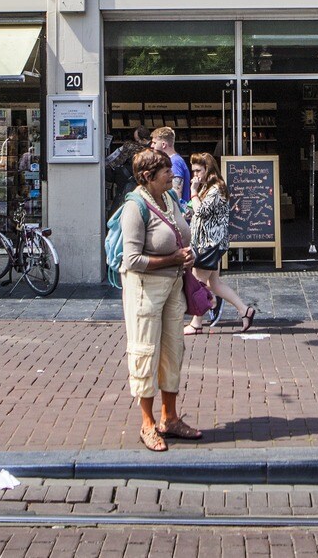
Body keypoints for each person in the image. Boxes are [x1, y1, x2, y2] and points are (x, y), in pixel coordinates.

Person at [118, 147, 201, 452]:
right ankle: (147, 423)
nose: (171, 174)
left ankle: (170, 417)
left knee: (173, 350)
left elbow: (181, 235)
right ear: (147, 176)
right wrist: (172, 259)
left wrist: (188, 255)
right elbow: (132, 259)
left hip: (173, 287)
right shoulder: (134, 207)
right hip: (145, 290)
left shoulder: (169, 199)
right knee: (145, 352)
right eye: (165, 170)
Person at [184, 152, 258, 335]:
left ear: (208, 169)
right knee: (214, 284)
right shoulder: (207, 187)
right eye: (193, 171)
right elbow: (197, 210)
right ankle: (244, 310)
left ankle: (197, 322)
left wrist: (193, 191)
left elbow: (201, 211)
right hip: (208, 243)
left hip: (209, 244)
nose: (195, 175)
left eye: (198, 171)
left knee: (198, 283)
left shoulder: (216, 189)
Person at [106, 126, 151, 208]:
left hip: (128, 181)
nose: (136, 142)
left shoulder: (134, 149)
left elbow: (117, 162)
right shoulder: (149, 150)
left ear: (143, 139)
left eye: (137, 140)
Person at [150, 127, 191, 206]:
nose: (152, 146)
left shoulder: (175, 162)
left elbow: (176, 193)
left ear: (163, 145)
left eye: (154, 143)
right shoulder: (172, 161)